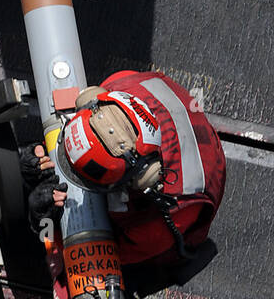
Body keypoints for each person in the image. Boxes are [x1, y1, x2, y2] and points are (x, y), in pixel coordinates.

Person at [23, 70, 226, 267]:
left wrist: (47, 225)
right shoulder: (123, 84)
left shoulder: (161, 220)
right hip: (194, 132)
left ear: (136, 180)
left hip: (167, 236)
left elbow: (104, 258)